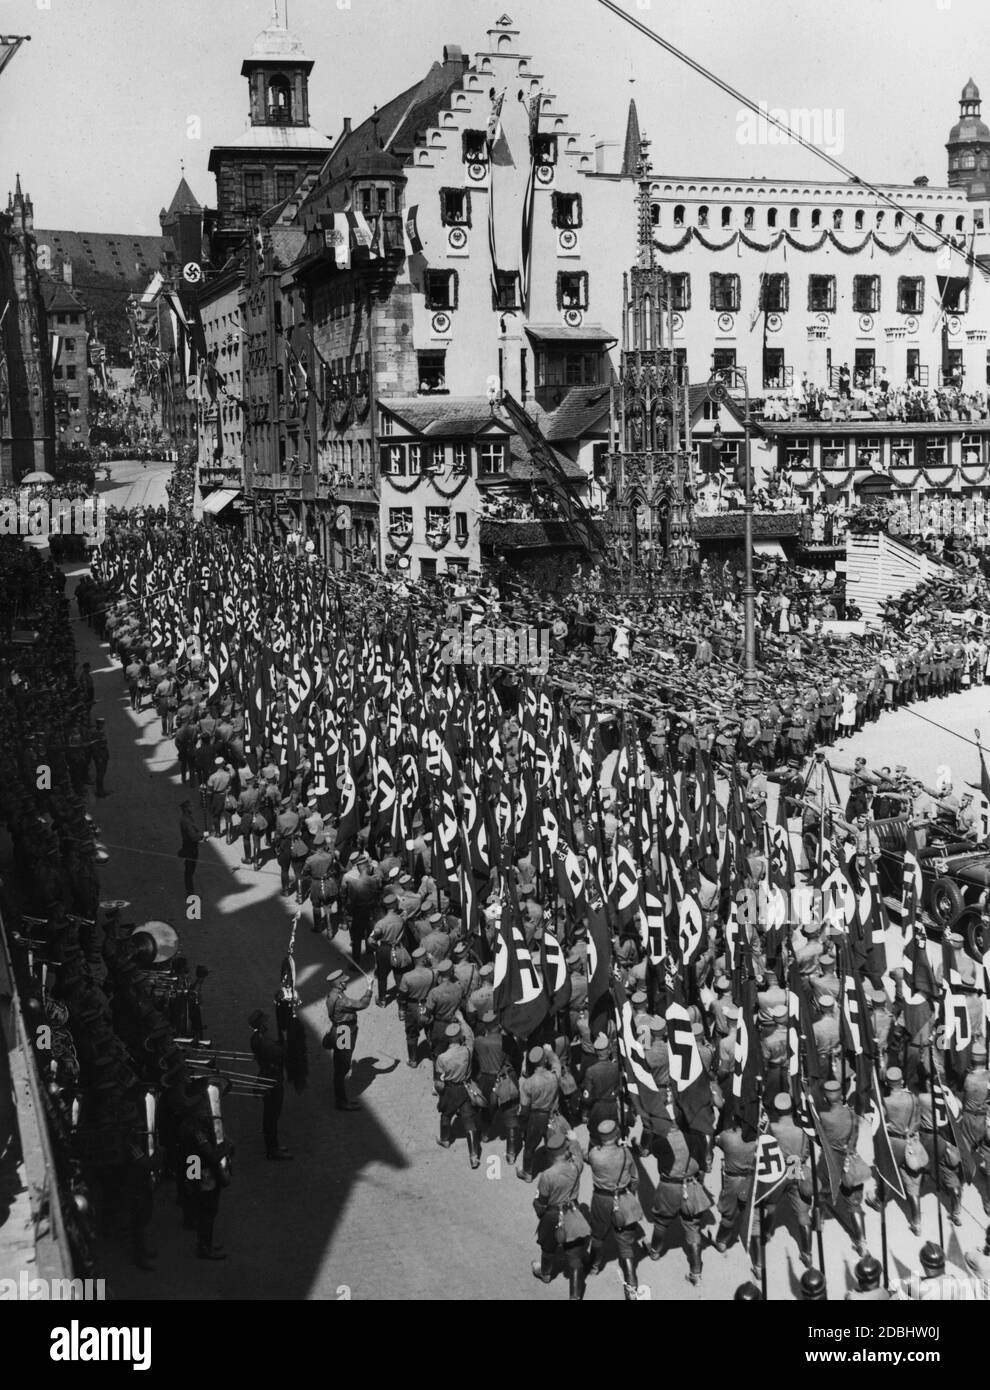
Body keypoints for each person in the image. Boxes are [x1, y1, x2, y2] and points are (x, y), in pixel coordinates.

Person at [585, 1118, 643, 1299]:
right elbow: (635, 1179)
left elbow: (584, 1156)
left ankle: (594, 1266)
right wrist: (629, 1195)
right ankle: (631, 1286)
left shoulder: (594, 1154)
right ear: (617, 1134)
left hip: (601, 1200)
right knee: (626, 1246)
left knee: (597, 1235)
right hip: (623, 1197)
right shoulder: (626, 1153)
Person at [531, 1130, 589, 1300]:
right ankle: (576, 1295)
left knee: (548, 1247)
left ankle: (546, 1273)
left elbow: (541, 1202)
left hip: (552, 1214)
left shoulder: (547, 1176)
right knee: (574, 1255)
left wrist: (542, 1215)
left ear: (550, 1154)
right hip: (573, 1211)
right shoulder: (576, 1166)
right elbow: (578, 1154)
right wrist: (574, 1141)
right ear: (565, 1151)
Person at [325, 969, 373, 1111]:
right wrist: (369, 987)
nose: (347, 982)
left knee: (341, 1065)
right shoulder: (340, 1000)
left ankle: (340, 1094)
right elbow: (361, 1004)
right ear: (339, 984)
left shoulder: (333, 995)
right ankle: (341, 1101)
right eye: (344, 981)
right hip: (345, 1032)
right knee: (342, 1066)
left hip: (340, 1029)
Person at [248, 1010, 292, 1161]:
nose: (266, 1024)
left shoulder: (256, 1038)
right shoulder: (263, 1041)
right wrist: (285, 1039)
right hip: (271, 1078)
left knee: (271, 1114)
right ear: (260, 1025)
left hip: (267, 1074)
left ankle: (273, 1145)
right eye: (264, 1022)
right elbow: (281, 1053)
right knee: (272, 1115)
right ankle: (273, 1149)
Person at [178, 799, 203, 897]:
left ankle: (190, 891)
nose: (192, 808)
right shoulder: (187, 821)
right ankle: (190, 892)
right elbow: (193, 836)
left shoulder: (187, 818)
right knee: (189, 871)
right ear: (186, 808)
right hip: (191, 849)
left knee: (190, 870)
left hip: (189, 847)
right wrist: (201, 836)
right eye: (190, 806)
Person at [89, 717, 109, 797]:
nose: (102, 725)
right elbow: (94, 747)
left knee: (102, 773)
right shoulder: (95, 733)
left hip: (104, 755)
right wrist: (98, 757)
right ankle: (99, 791)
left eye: (102, 723)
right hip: (100, 756)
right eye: (101, 723)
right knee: (100, 774)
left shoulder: (101, 732)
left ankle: (102, 790)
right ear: (98, 724)